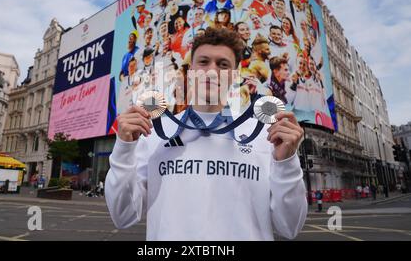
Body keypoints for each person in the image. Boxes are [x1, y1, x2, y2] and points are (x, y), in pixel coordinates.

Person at [106, 27, 307, 240]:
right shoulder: (154, 133)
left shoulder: (265, 136)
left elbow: (290, 227)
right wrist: (123, 147)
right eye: (203, 62)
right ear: (191, 69)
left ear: (235, 74)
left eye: (223, 64)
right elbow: (123, 216)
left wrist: (287, 162)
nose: (212, 71)